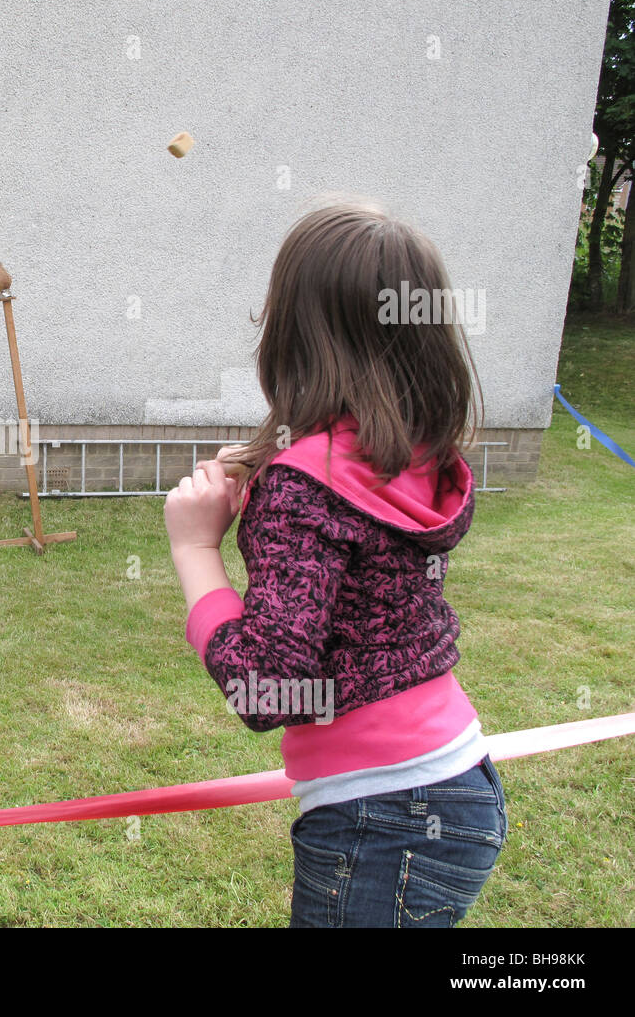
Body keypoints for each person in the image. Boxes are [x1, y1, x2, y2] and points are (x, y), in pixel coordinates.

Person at [164, 199, 507, 927]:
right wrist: (270, 464)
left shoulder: (306, 484)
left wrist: (195, 549)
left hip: (385, 815)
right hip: (451, 783)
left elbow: (268, 689)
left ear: (293, 331)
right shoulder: (413, 454)